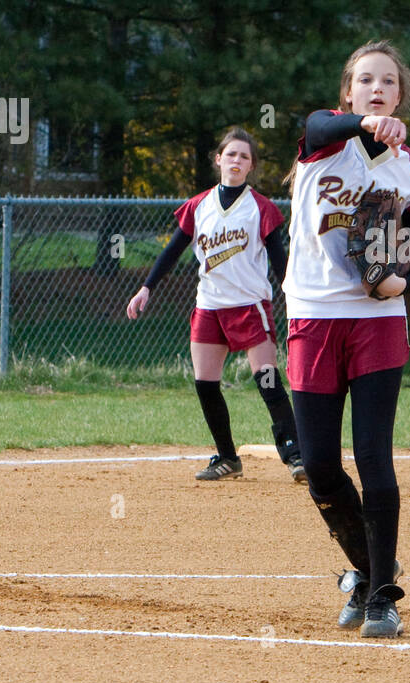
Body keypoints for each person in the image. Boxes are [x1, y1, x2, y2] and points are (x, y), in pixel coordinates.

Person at [282, 38, 410, 638]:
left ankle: (381, 598)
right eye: (366, 80)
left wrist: (403, 280)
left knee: (373, 456)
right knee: (319, 465)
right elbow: (317, 121)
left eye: (389, 82)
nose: (379, 88)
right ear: (349, 93)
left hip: (376, 325)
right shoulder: (323, 146)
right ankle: (372, 569)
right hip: (314, 316)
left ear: (402, 95)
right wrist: (364, 123)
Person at [126, 129, 304, 483]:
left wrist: (294, 297)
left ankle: (297, 456)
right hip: (209, 306)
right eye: (231, 154)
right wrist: (146, 287)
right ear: (218, 159)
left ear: (251, 166)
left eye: (244, 157)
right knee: (206, 384)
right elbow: (172, 251)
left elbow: (280, 262)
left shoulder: (260, 207)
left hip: (249, 305)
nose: (237, 161)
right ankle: (227, 457)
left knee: (267, 380)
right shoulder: (198, 206)